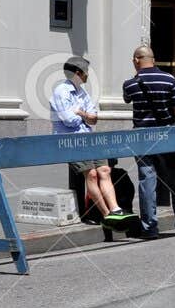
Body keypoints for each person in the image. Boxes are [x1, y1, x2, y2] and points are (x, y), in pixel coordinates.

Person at [51, 58, 132, 225]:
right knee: (92, 174)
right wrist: (85, 115)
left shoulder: (82, 92)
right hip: (71, 141)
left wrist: (80, 113)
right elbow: (68, 120)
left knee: (104, 170)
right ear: (78, 73)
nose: (88, 75)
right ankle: (106, 214)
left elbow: (94, 118)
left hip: (88, 138)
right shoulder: (61, 91)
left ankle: (116, 209)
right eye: (86, 71)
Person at [123, 46, 175, 239]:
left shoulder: (130, 84)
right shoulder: (170, 79)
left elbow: (127, 100)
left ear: (137, 60)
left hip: (142, 138)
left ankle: (150, 228)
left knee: (147, 181)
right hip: (166, 136)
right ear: (153, 59)